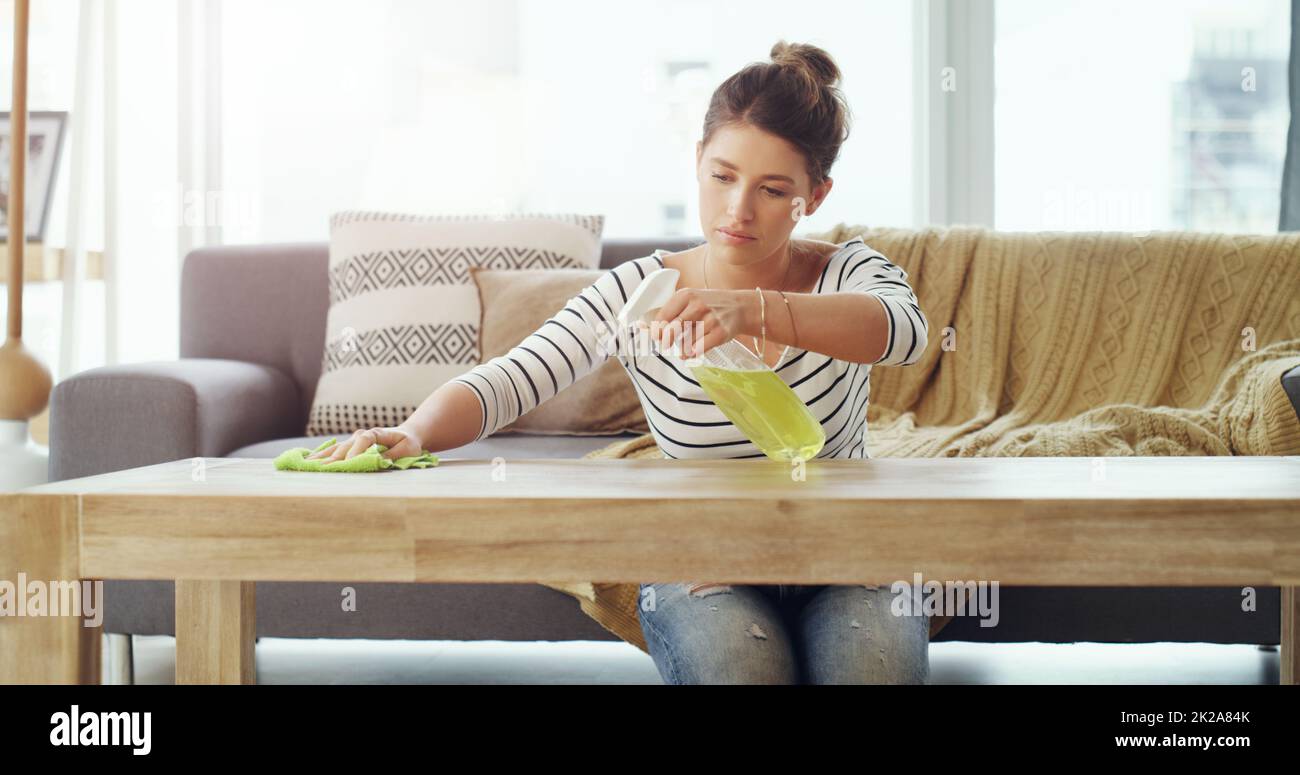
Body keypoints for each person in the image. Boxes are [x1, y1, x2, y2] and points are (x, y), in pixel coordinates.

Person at [308, 40, 931, 684]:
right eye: (722, 176)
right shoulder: (643, 295)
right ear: (697, 162)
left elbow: (904, 333)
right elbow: (513, 378)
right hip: (702, 563)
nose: (738, 209)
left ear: (815, 196)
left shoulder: (848, 271)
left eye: (773, 190)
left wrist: (752, 310)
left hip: (850, 556)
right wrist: (413, 432)